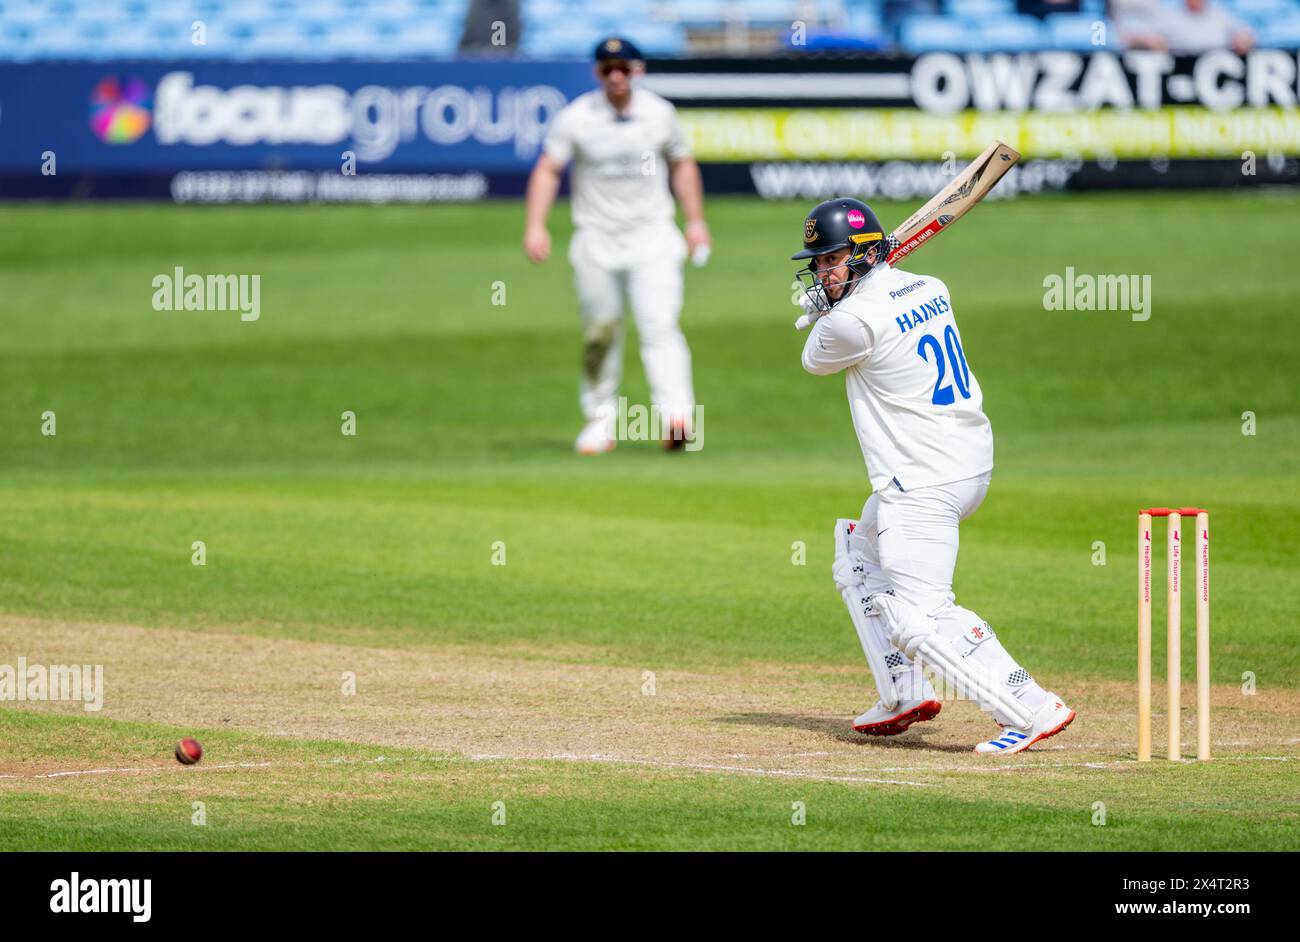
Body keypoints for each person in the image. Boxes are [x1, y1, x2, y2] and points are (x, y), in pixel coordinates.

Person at [793, 197, 1075, 755]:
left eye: (834, 260)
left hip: (919, 479)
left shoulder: (851, 322)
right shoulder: (930, 285)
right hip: (969, 462)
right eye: (819, 262)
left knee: (917, 614)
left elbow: (814, 359)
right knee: (857, 555)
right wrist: (832, 304)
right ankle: (903, 692)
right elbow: (861, 312)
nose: (824, 272)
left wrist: (820, 312)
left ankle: (1030, 707)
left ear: (868, 253)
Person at [524, 37, 710, 454]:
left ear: (637, 70)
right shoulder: (576, 118)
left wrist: (695, 222)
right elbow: (548, 169)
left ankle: (677, 417)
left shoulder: (660, 113)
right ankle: (599, 420)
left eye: (623, 67)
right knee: (600, 332)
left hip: (653, 236)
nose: (616, 76)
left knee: (660, 325)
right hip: (596, 239)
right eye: (607, 68)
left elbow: (682, 164)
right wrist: (536, 225)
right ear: (597, 72)